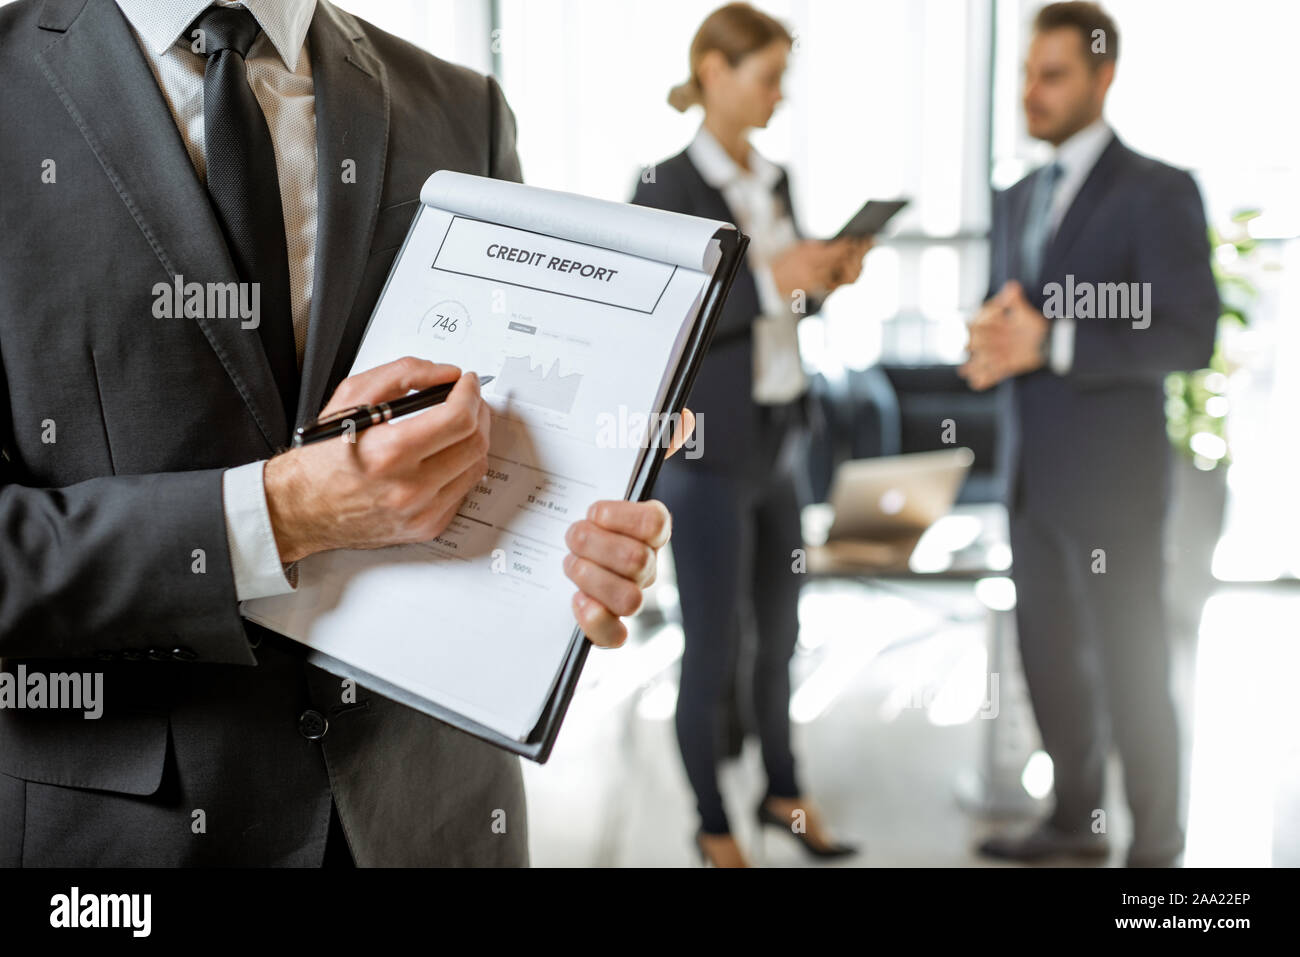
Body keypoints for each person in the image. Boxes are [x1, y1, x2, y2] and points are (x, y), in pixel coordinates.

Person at [0, 0, 692, 866]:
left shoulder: (461, 105)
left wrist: (584, 489)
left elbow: (508, 411)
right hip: (130, 836)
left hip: (433, 810)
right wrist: (281, 514)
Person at [959, 1, 1218, 867]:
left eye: (1054, 74)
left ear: (1104, 76)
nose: (1031, 91)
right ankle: (1075, 822)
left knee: (1134, 672)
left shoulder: (1159, 189)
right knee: (1051, 664)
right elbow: (1016, 315)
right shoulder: (1016, 193)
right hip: (1031, 478)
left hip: (1116, 485)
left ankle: (1157, 853)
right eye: (1028, 73)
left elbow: (1190, 333)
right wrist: (994, 348)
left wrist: (1056, 342)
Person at [631, 2, 871, 868]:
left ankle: (782, 793)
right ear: (714, 72)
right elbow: (670, 317)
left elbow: (783, 306)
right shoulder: (662, 187)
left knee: (783, 634)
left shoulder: (772, 181)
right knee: (715, 646)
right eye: (768, 77)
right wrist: (778, 279)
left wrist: (825, 279)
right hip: (707, 456)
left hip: (778, 438)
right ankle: (713, 824)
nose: (779, 95)